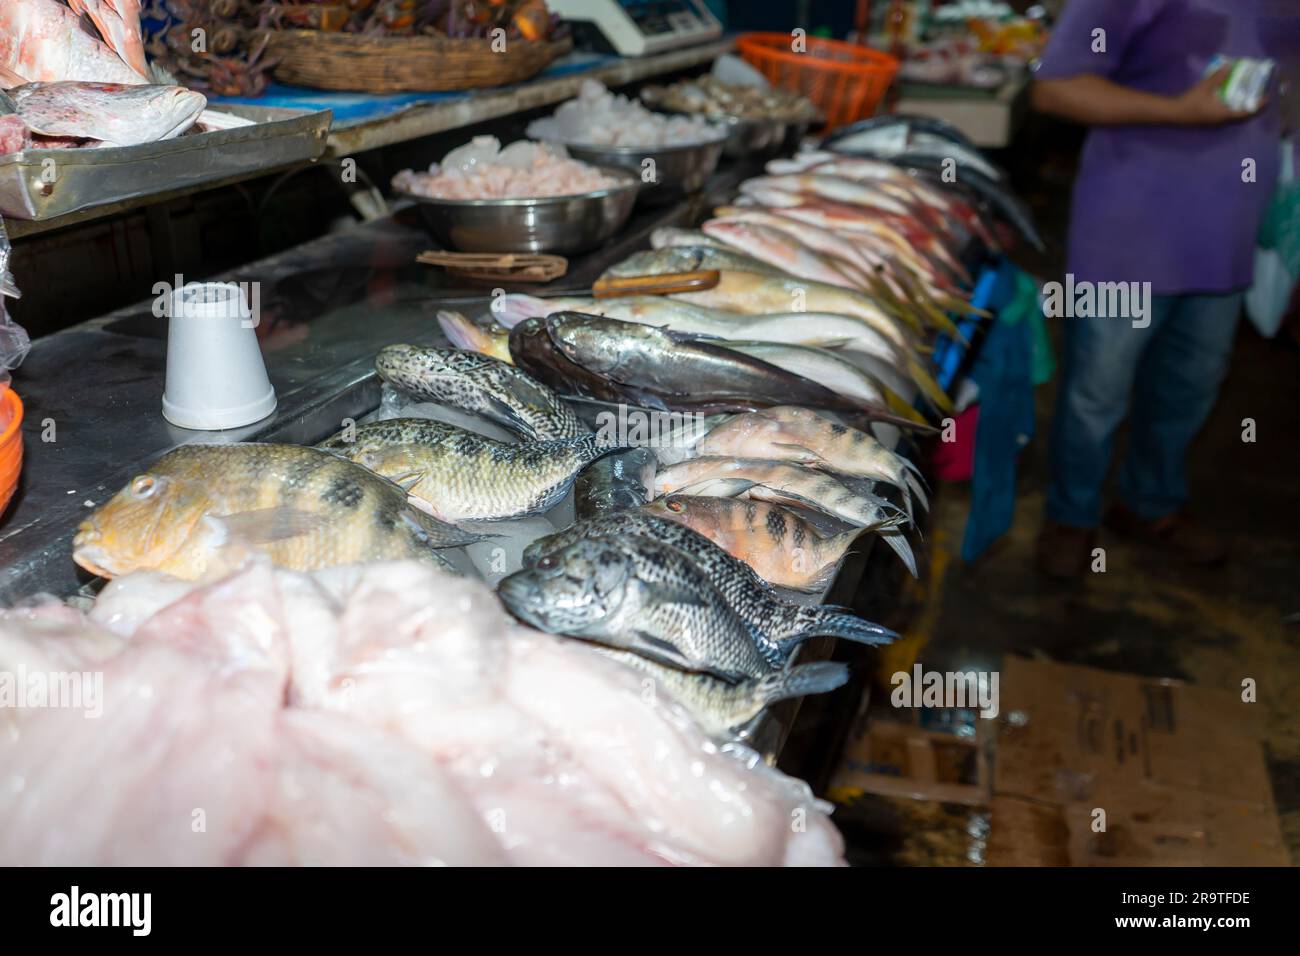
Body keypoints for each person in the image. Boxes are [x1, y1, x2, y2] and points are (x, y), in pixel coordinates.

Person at [1030, 0, 1286, 579]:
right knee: (1097, 393)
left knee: (1189, 388)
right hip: (1129, 233)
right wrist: (1179, 110)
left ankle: (1149, 505)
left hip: (1226, 237)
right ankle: (1070, 517)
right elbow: (1054, 88)